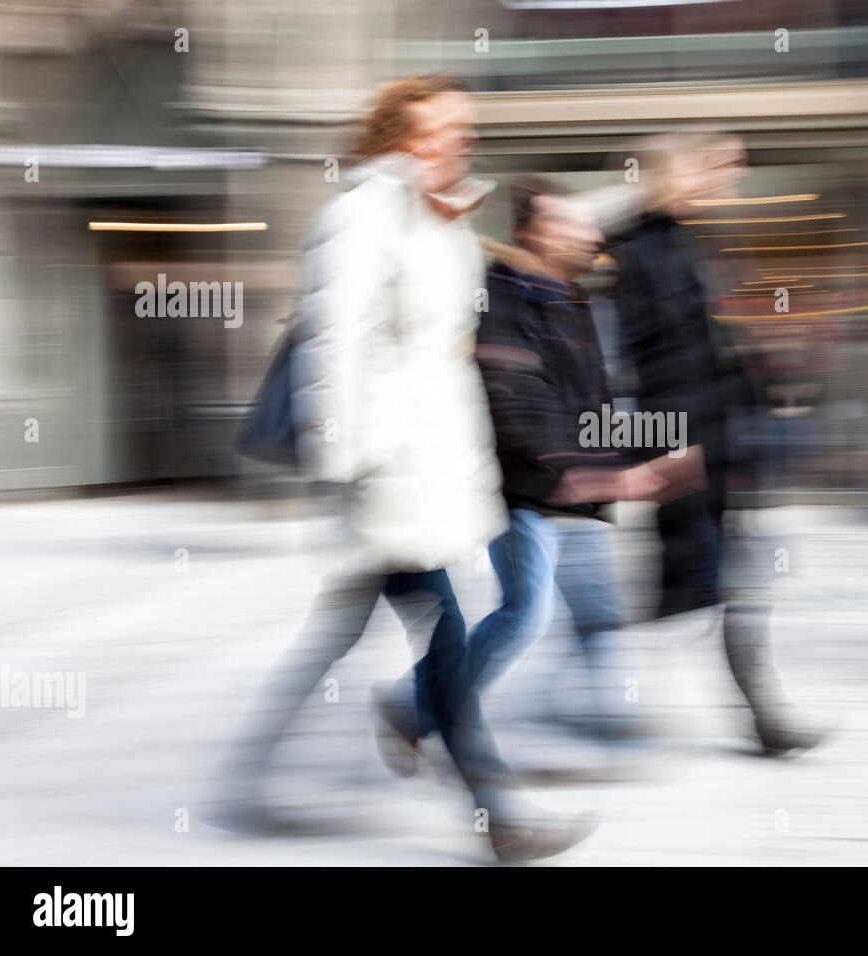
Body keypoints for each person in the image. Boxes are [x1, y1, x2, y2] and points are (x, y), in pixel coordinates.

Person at [219, 74, 596, 863]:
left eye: (464, 128)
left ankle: (244, 783)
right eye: (438, 130)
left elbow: (442, 347)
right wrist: (354, 465)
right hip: (381, 473)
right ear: (398, 138)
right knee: (448, 635)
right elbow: (337, 344)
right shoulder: (358, 216)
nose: (457, 140)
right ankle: (498, 818)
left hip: (424, 473)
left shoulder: (440, 223)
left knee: (340, 634)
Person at [375, 176, 703, 759]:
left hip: (568, 488)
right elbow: (520, 403)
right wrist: (593, 472)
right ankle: (415, 708)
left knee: (596, 608)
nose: (590, 235)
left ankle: (605, 718)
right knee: (522, 613)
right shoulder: (504, 296)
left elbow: (588, 409)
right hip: (522, 488)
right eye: (571, 224)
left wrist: (656, 448)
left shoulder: (570, 300)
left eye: (588, 224)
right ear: (533, 230)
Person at [612, 131, 829, 756]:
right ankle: (582, 689)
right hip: (688, 441)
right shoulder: (644, 251)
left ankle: (764, 717)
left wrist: (760, 380)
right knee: (701, 584)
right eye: (703, 173)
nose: (717, 184)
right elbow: (657, 359)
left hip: (717, 436)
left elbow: (708, 343)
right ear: (667, 180)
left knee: (736, 580)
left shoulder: (694, 244)